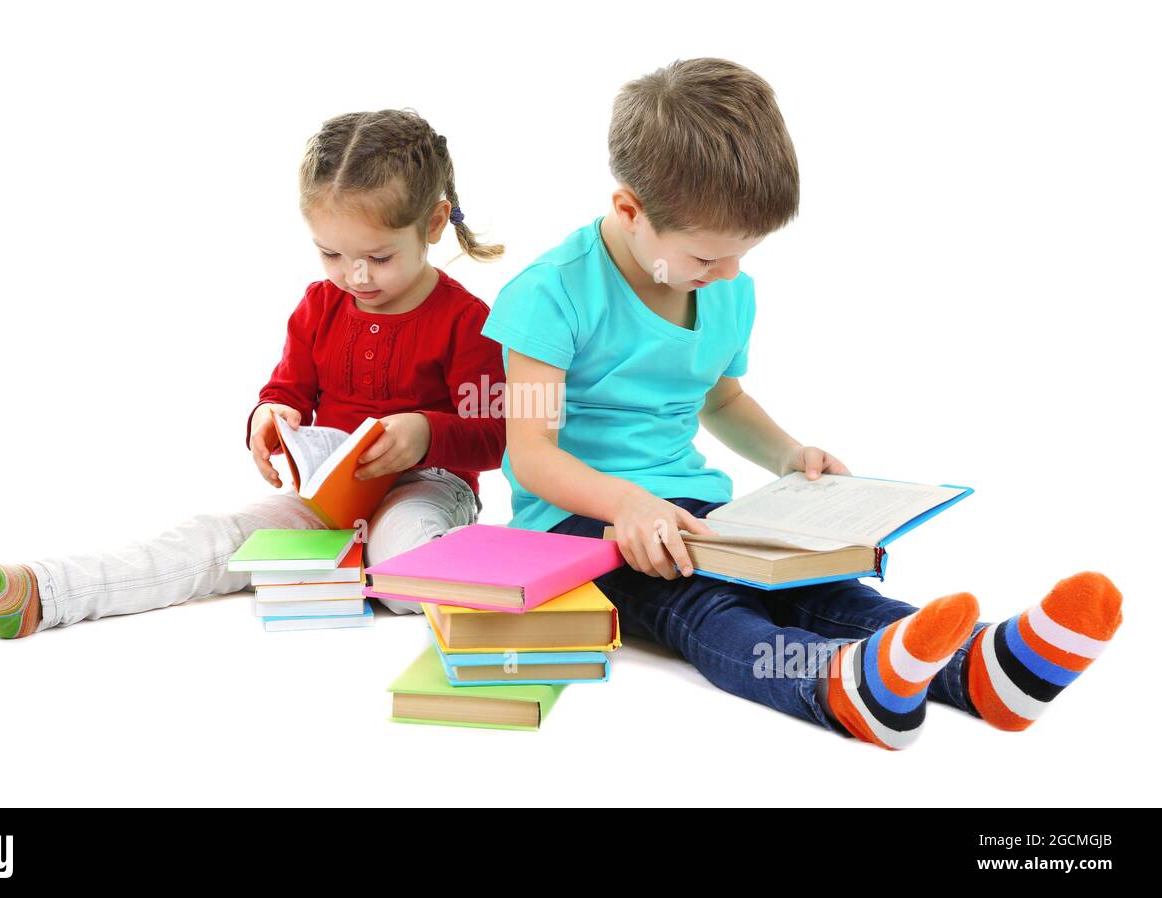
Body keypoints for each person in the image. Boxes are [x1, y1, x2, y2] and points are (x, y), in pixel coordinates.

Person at [481, 58, 1122, 749]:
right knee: (705, 605)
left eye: (744, 254)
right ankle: (832, 685)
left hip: (695, 508)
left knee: (820, 588)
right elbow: (532, 453)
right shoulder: (550, 294)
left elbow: (722, 399)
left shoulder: (726, 287)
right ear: (630, 211)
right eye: (707, 258)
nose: (729, 274)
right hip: (580, 526)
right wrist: (628, 505)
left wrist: (788, 455)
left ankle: (982, 670)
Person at [0, 108, 507, 636]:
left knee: (408, 568)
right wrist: (271, 416)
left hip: (426, 486)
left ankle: (497, 584)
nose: (355, 276)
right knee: (218, 540)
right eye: (332, 254)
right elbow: (287, 390)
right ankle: (42, 593)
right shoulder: (319, 306)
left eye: (379, 258)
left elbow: (498, 435)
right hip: (330, 497)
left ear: (434, 224)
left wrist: (425, 433)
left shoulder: (467, 320)